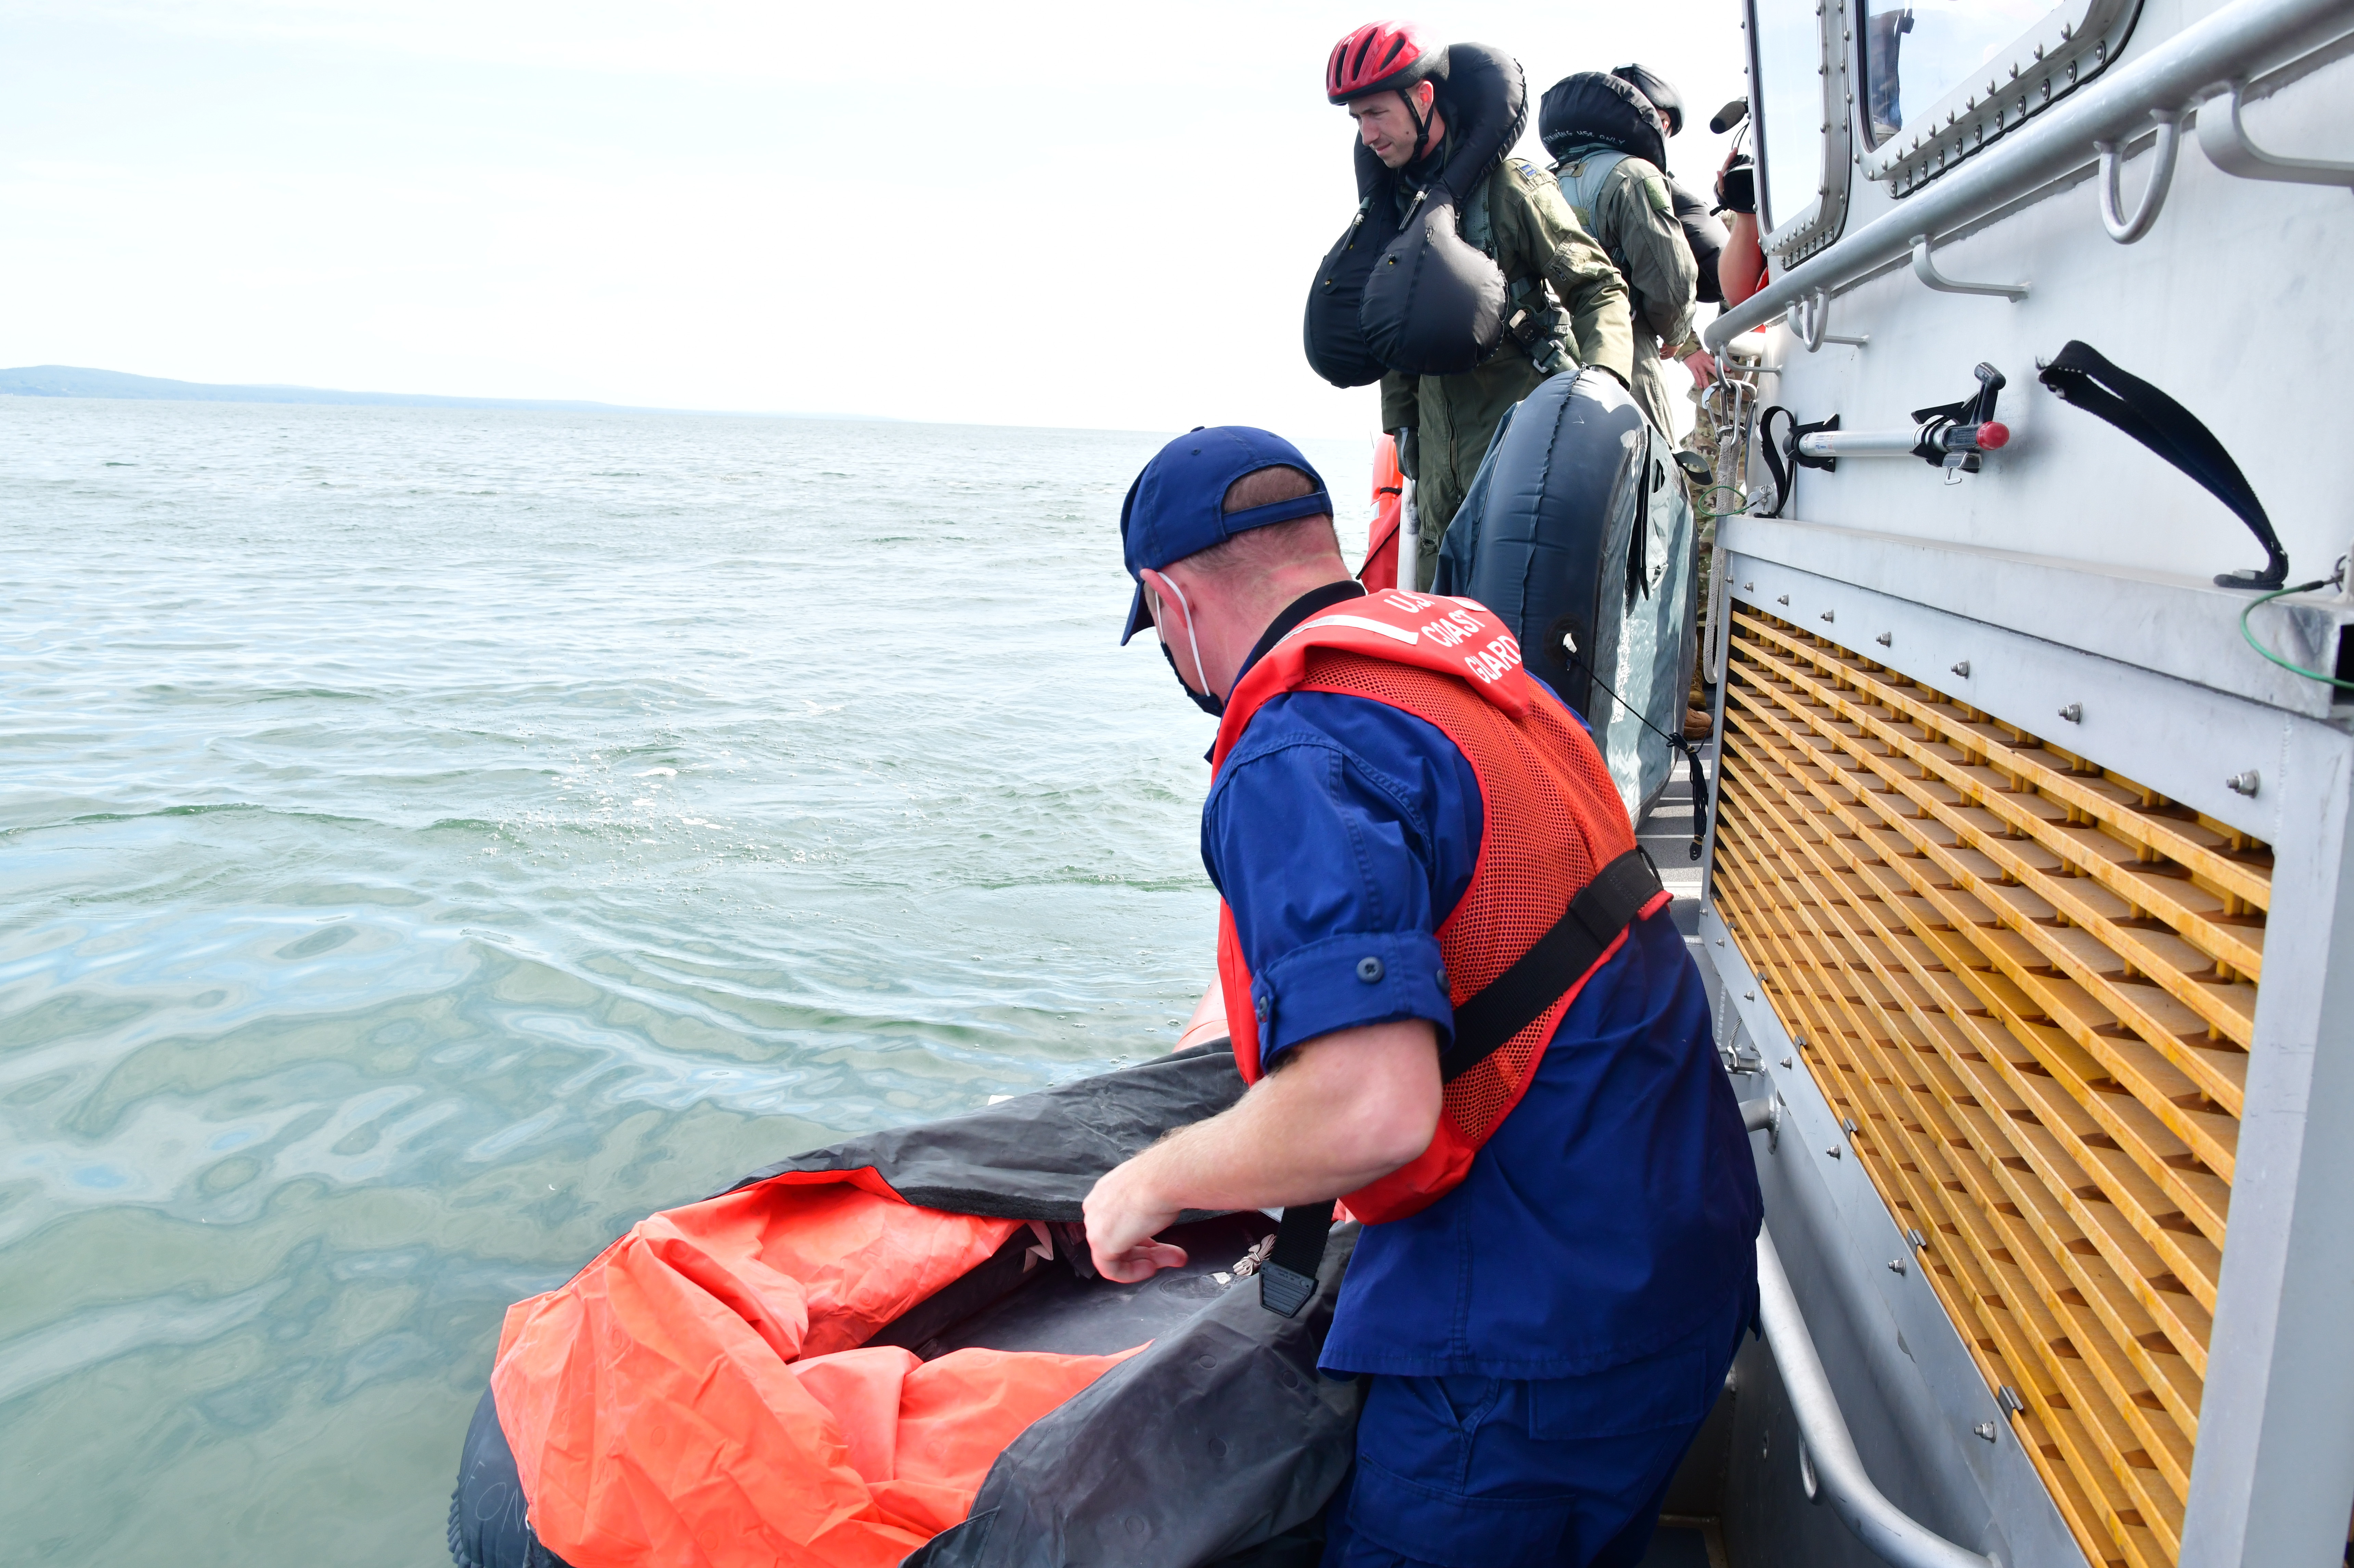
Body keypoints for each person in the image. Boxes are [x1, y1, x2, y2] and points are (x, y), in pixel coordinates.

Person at [1090, 424, 1763, 1568]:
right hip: (1678, 1263)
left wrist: (1145, 1181)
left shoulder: (1295, 752)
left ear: (1170, 599)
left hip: (1524, 1345)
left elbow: (1373, 1109)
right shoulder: (1465, 674)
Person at [1330, 21, 1633, 587]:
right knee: (1441, 627)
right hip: (1437, 461)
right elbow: (1395, 340)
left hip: (1523, 443)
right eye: (1357, 120)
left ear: (1423, 98)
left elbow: (1598, 289)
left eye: (1376, 113)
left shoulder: (1509, 188)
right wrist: (1403, 433)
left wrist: (1603, 387)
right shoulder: (1396, 207)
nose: (1367, 134)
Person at [1538, 69, 1698, 437]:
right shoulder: (1633, 175)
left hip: (1540, 365)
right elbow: (1669, 280)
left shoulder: (1539, 181)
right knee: (1642, 483)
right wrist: (1676, 332)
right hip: (1623, 353)